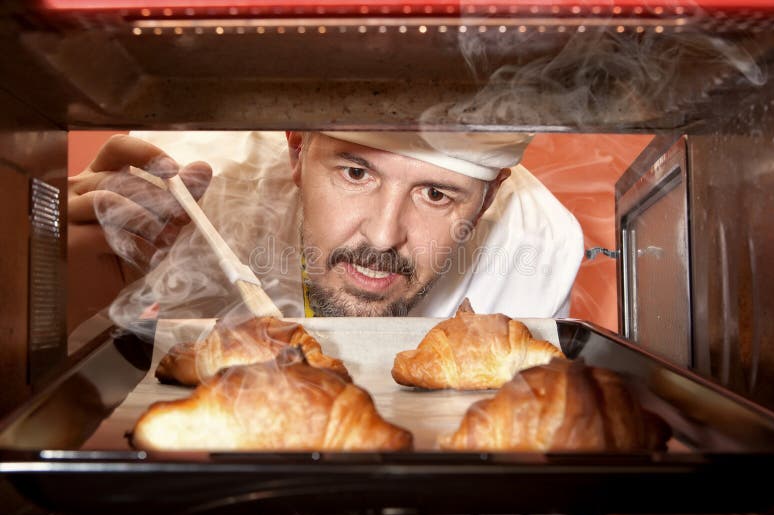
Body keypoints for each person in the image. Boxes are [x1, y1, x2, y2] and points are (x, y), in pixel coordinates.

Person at [67, 130, 583, 332]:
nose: (383, 237)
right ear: (297, 149)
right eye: (356, 173)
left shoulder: (538, 247)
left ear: (488, 198)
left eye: (435, 194)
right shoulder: (186, 189)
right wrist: (71, 284)